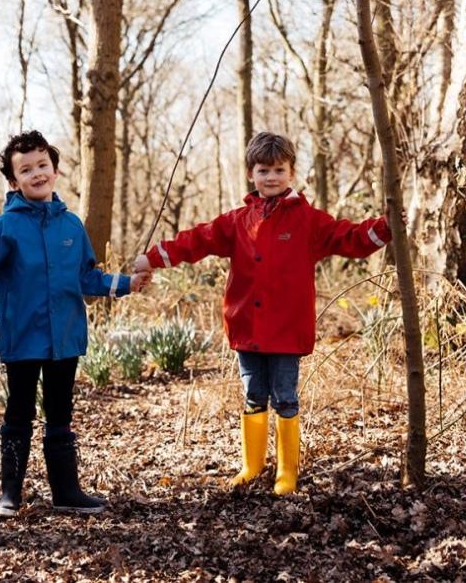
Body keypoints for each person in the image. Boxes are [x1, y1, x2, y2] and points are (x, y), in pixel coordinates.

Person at [134, 132, 399, 495]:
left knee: (286, 397)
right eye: (263, 170)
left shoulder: (308, 221)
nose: (271, 177)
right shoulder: (237, 220)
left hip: (288, 330)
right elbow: (198, 239)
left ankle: (286, 471)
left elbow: (348, 237)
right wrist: (153, 257)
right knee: (254, 395)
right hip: (247, 326)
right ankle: (252, 465)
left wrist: (385, 226)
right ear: (250, 174)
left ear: (291, 173)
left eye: (278, 170)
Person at [0, 130, 151, 518]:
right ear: (14, 182)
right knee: (19, 413)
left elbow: (87, 277)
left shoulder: (72, 226)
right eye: (26, 169)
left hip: (65, 339)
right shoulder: (5, 227)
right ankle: (9, 495)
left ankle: (66, 492)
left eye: (42, 165)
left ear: (55, 170)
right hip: (23, 340)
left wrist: (126, 284)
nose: (37, 173)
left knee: (60, 413)